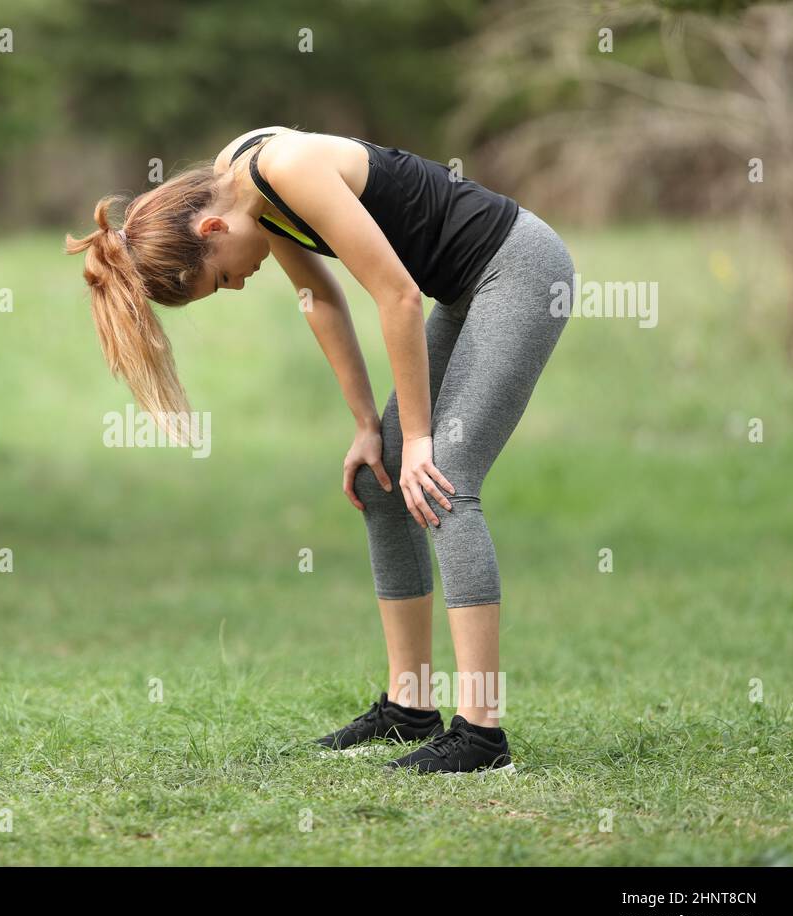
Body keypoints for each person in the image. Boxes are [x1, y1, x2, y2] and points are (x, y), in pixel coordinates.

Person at [65, 126, 574, 774]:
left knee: (442, 478)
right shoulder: (240, 185)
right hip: (466, 287)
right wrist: (369, 425)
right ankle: (410, 706)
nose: (240, 286)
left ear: (214, 230)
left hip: (519, 270)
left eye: (219, 280)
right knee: (380, 481)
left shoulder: (284, 168)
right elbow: (321, 298)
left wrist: (418, 439)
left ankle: (481, 733)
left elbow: (397, 295)